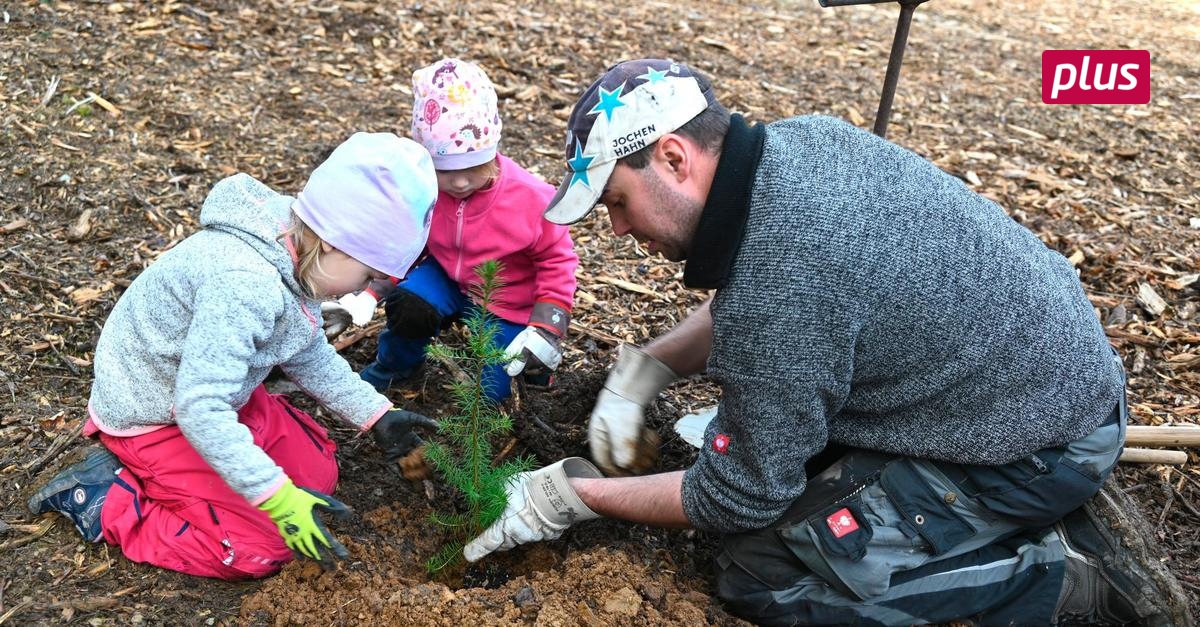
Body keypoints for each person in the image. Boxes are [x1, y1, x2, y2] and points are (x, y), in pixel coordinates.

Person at [459, 59, 1193, 626]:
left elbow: (738, 495)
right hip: (1037, 373)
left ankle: (1055, 579)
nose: (619, 228)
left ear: (675, 159)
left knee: (760, 571)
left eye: (617, 201)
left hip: (1036, 447)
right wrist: (645, 370)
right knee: (783, 463)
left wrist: (576, 494)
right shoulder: (796, 146)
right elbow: (765, 298)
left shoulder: (785, 277)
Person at [27, 133, 442, 580]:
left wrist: (376, 414)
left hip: (213, 387)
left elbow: (306, 350)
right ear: (335, 242)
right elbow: (200, 407)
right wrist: (276, 498)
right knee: (259, 549)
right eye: (368, 275)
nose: (363, 289)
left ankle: (230, 458)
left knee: (318, 475)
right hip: (158, 415)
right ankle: (104, 496)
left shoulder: (296, 249)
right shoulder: (246, 284)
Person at [322, 58, 579, 404]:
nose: (458, 182)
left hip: (508, 299)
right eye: (444, 171)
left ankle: (534, 375)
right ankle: (396, 367)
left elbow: (557, 262)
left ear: (492, 152)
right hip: (446, 278)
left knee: (495, 390)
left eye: (473, 168)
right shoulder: (424, 189)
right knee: (410, 304)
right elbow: (409, 243)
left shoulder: (531, 199)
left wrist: (546, 328)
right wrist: (369, 293)